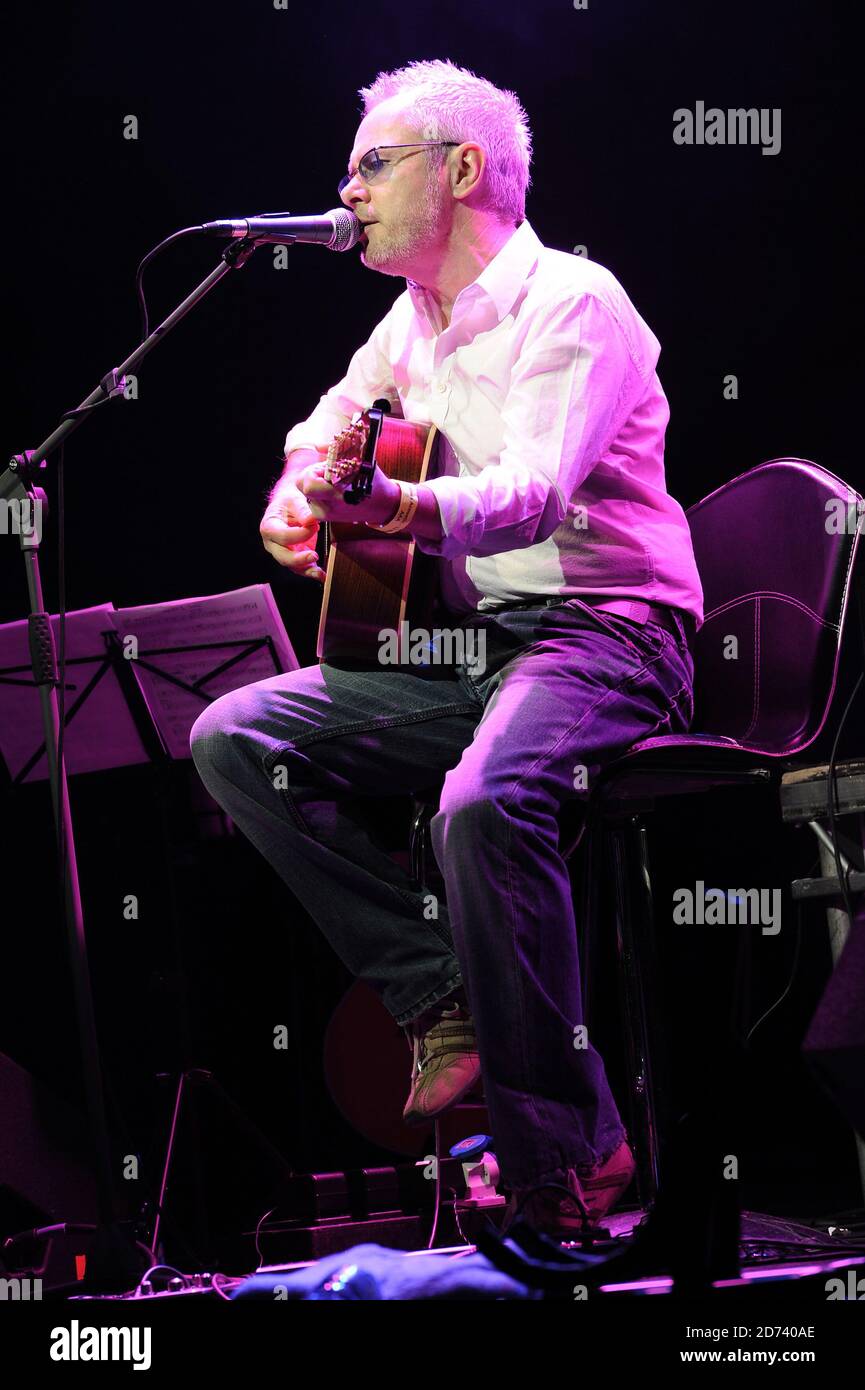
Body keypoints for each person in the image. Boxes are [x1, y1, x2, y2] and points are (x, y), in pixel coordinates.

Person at [190, 58, 704, 1238]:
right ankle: (442, 992)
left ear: (460, 168)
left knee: (483, 802)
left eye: (373, 163)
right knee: (232, 737)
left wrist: (395, 509)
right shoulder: (407, 321)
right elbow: (322, 428)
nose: (347, 189)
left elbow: (530, 495)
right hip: (472, 648)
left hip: (609, 633)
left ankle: (565, 1159)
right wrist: (295, 494)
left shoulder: (576, 301)